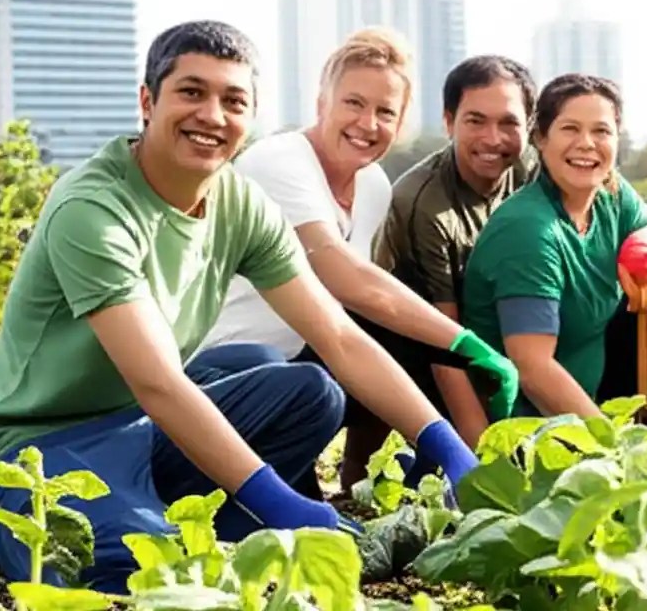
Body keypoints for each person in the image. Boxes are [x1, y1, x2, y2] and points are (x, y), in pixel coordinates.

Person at [0, 21, 477, 592]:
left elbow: (339, 336)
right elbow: (160, 384)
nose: (213, 116)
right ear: (148, 101)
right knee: (146, 572)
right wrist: (278, 501)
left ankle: (187, 515)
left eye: (233, 100)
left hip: (141, 430)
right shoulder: (93, 209)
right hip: (42, 448)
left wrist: (442, 441)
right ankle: (175, 519)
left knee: (311, 393)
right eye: (192, 92)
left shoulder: (238, 201)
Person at [201, 30, 517, 493]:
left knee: (401, 326)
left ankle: (365, 477)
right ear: (321, 103)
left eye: (385, 111)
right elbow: (339, 274)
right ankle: (272, 483)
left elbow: (366, 311)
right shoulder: (279, 160)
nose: (367, 123)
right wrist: (466, 344)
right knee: (316, 375)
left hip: (298, 360)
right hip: (221, 368)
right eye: (353, 103)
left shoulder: (372, 186)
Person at [460, 73, 647, 419]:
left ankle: (637, 422)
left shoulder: (610, 193)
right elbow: (533, 369)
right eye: (570, 128)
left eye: (601, 131)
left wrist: (643, 244)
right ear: (540, 137)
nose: (587, 143)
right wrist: (609, 448)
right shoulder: (528, 229)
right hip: (528, 420)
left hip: (589, 388)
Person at [370, 55, 539, 449]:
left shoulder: (544, 168)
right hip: (433, 347)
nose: (493, 139)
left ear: (530, 126)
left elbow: (640, 220)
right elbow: (444, 341)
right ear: (449, 122)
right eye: (475, 121)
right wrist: (481, 460)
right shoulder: (421, 201)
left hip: (525, 333)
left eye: (509, 123)